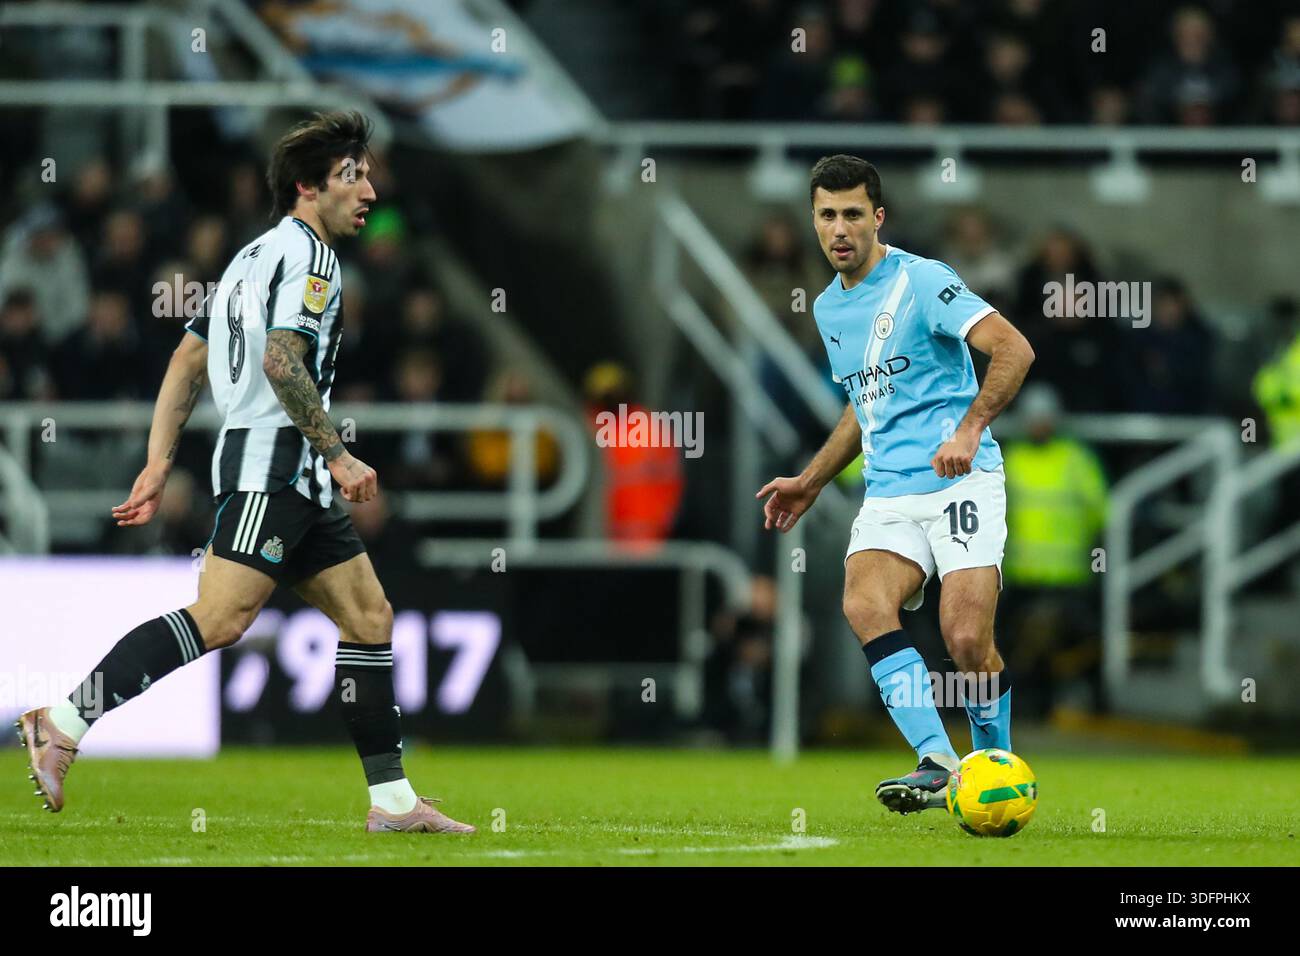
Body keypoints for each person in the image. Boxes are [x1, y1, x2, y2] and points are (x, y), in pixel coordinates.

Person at [16, 110, 474, 835]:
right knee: (222, 617)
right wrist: (337, 452)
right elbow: (281, 361)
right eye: (352, 177)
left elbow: (187, 361)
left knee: (369, 617)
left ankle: (391, 802)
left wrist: (158, 463)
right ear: (306, 187)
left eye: (368, 176)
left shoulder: (248, 257)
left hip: (288, 474)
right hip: (276, 464)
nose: (369, 193)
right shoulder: (313, 262)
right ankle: (61, 720)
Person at [756, 155, 1034, 815]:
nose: (840, 228)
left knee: (966, 641)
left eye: (853, 213)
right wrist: (813, 480)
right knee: (863, 602)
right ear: (814, 222)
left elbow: (1014, 348)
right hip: (888, 493)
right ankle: (937, 761)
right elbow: (865, 404)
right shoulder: (829, 308)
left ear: (878, 218)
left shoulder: (923, 280)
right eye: (827, 215)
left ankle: (995, 760)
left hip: (961, 483)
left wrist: (969, 429)